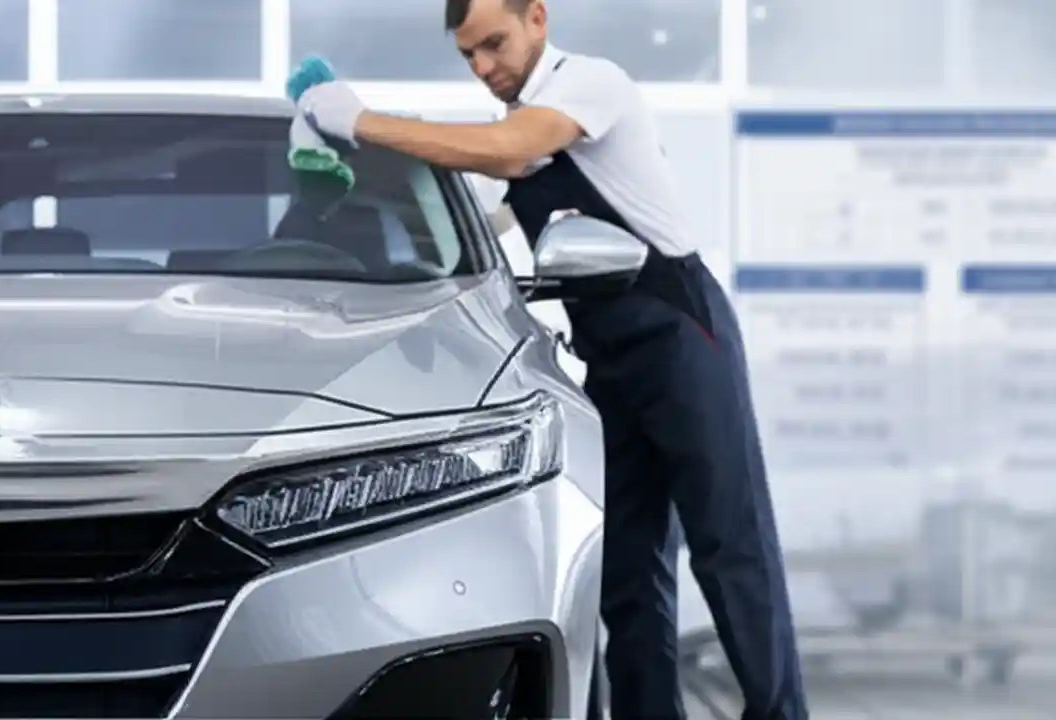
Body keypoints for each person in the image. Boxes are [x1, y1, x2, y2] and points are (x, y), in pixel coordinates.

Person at [293, 1, 809, 717]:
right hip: (611, 362)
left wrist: (360, 120)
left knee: (731, 547)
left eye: (494, 45)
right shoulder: (523, 135)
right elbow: (467, 210)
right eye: (469, 56)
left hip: (684, 339)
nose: (483, 68)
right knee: (627, 577)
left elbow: (504, 150)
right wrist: (344, 184)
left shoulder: (591, 87)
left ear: (537, 17)